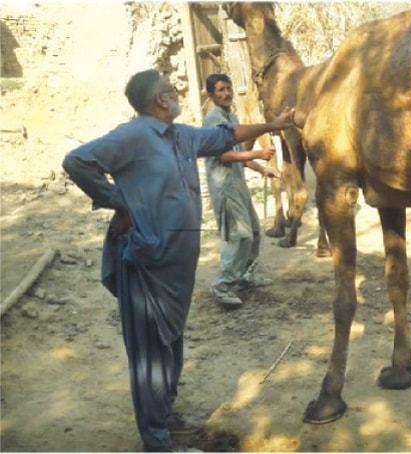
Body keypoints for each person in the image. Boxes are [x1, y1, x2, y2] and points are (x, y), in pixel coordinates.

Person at [62, 69, 295, 452]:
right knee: (150, 352)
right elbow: (77, 161)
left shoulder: (181, 134)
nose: (177, 93)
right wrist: (120, 203)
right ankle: (156, 441)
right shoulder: (133, 136)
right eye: (172, 89)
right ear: (160, 100)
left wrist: (272, 124)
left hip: (176, 264)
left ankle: (165, 415)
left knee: (170, 341)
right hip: (146, 261)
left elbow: (225, 136)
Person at [203, 73, 279, 306]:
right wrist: (258, 153)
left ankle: (246, 275)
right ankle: (222, 284)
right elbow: (223, 154)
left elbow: (238, 155)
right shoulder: (213, 119)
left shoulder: (231, 116)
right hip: (224, 185)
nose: (226, 94)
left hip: (237, 183)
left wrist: (260, 169)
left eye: (228, 88)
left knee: (254, 231)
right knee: (240, 235)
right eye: (220, 90)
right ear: (211, 94)